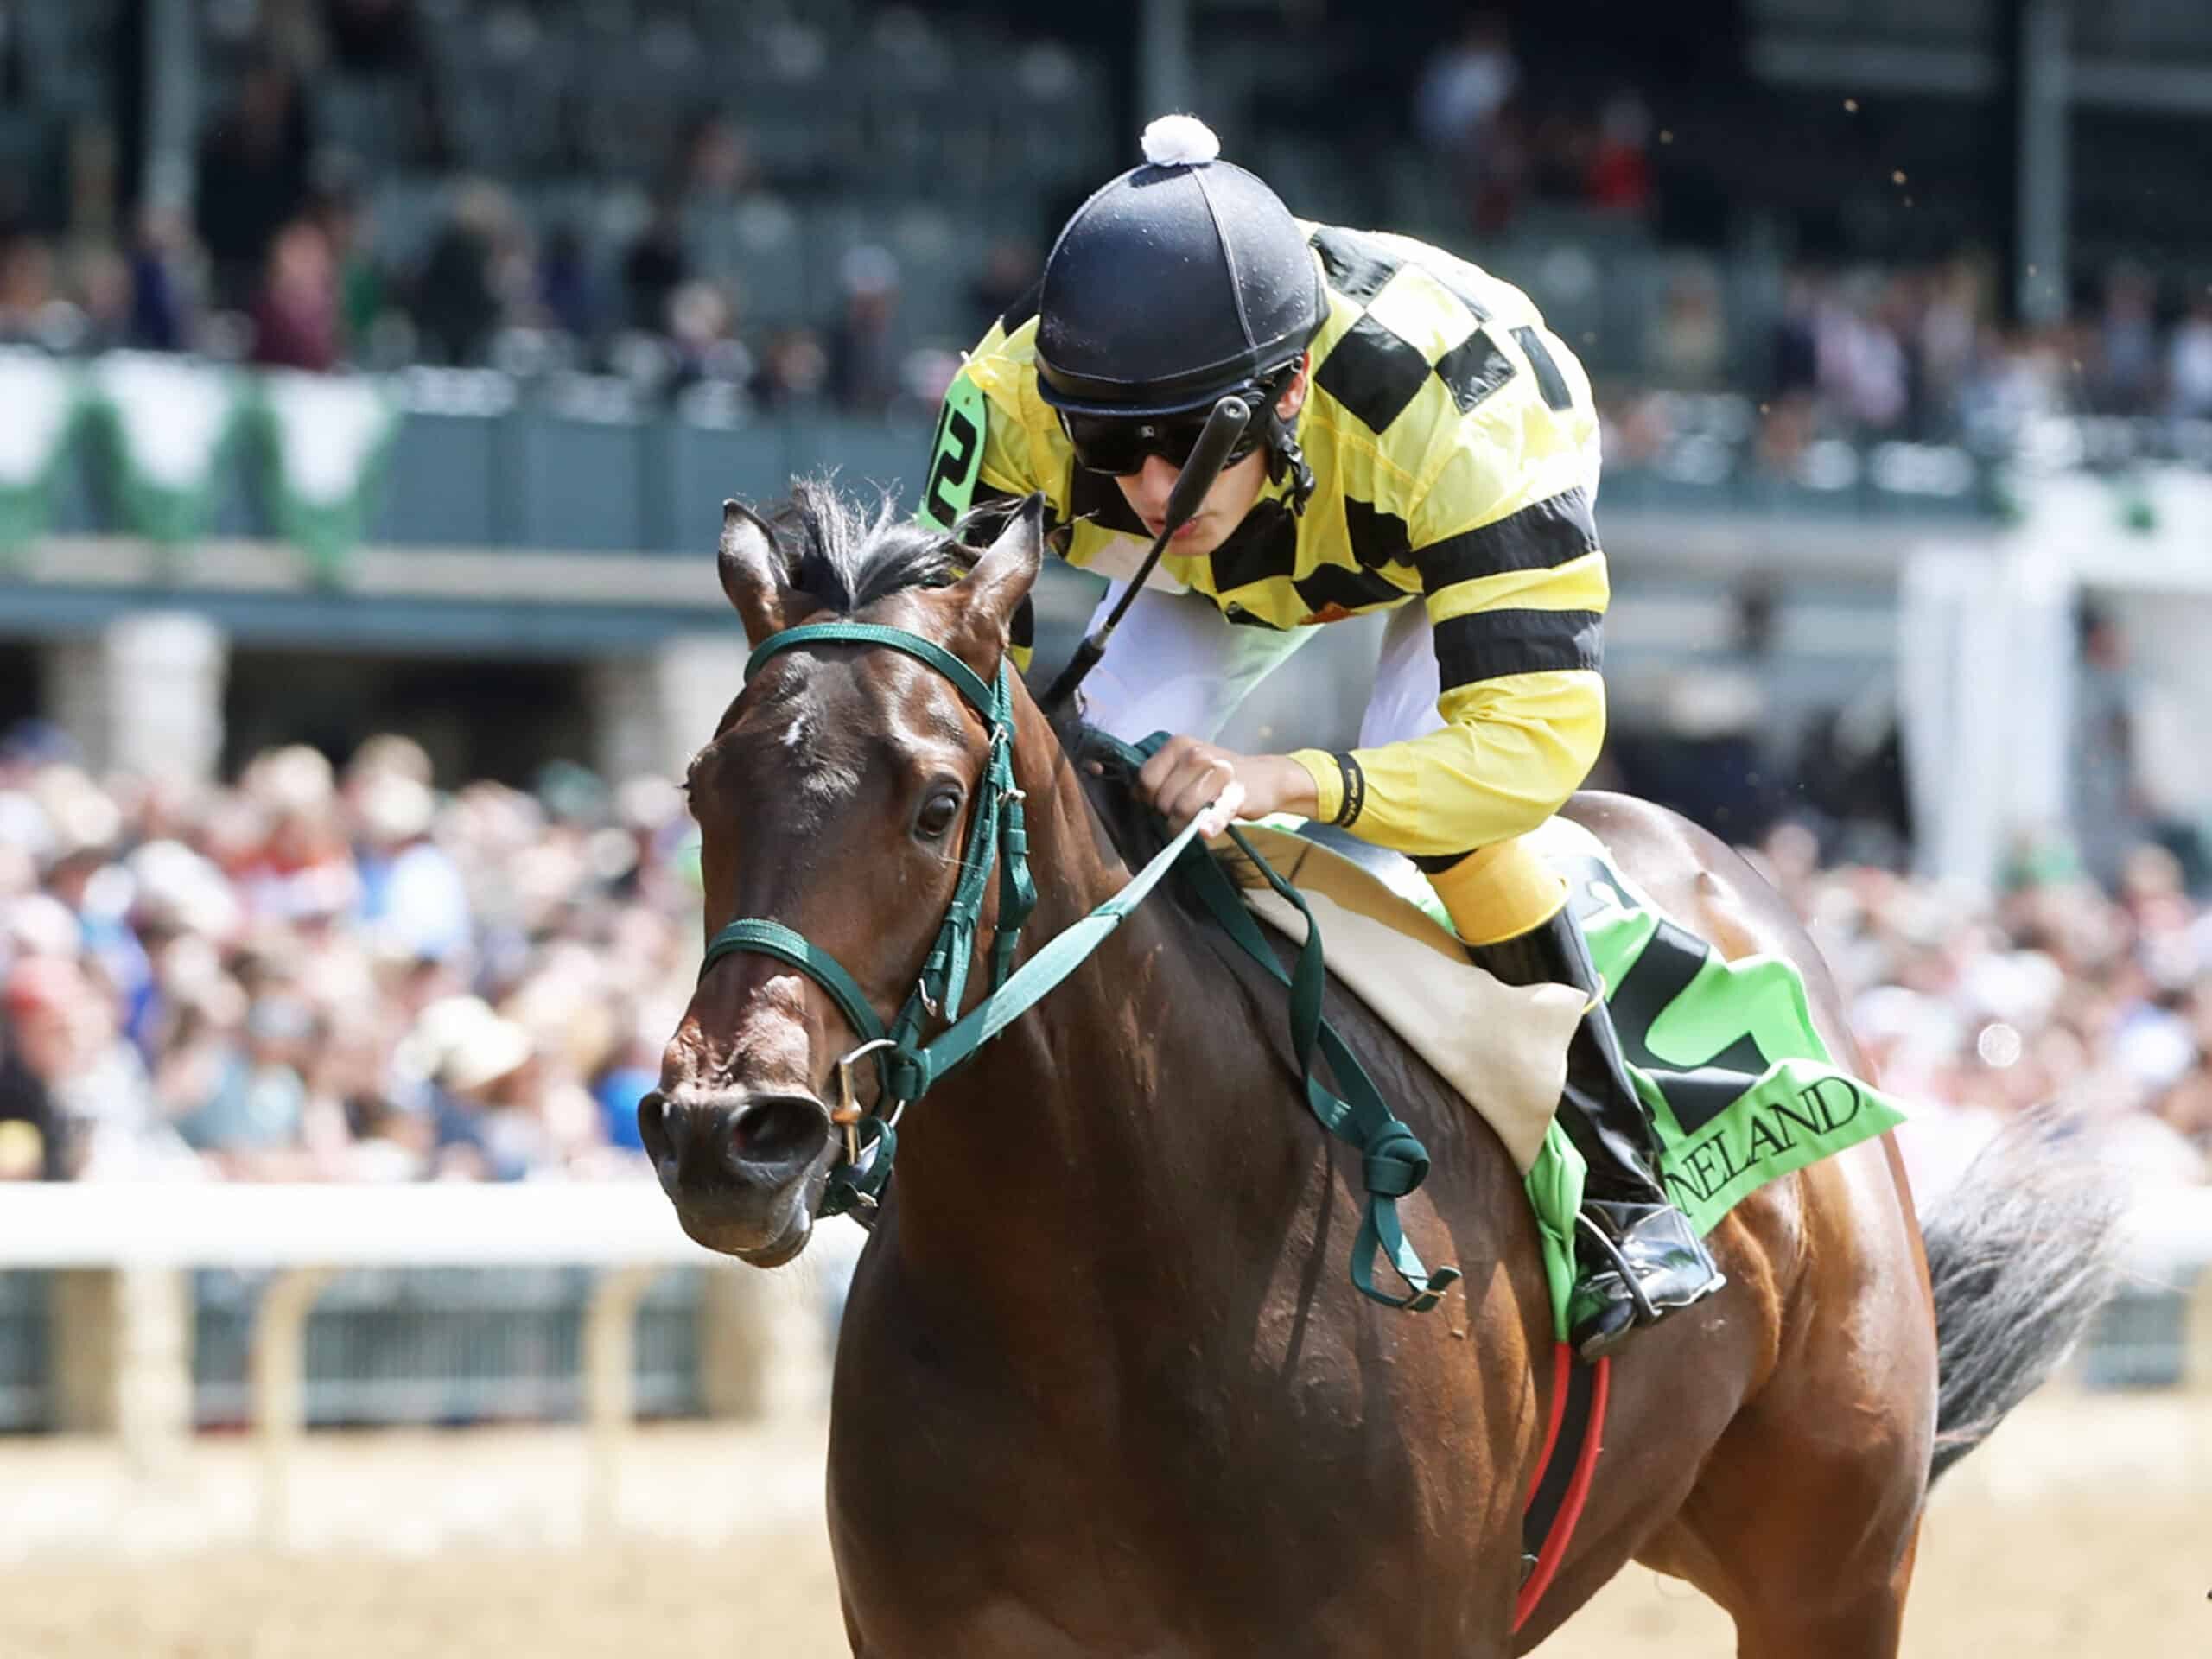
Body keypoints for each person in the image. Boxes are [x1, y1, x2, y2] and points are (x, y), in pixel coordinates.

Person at [921, 115, 1723, 1357]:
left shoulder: (1472, 430)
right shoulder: (1008, 396)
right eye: (1111, 443)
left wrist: (1289, 777)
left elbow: (1524, 754)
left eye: (1184, 441)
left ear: (1284, 389)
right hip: (1249, 546)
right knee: (1056, 795)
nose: (1145, 487)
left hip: (1403, 520)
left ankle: (1626, 1183)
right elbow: (963, 693)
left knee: (1463, 836)